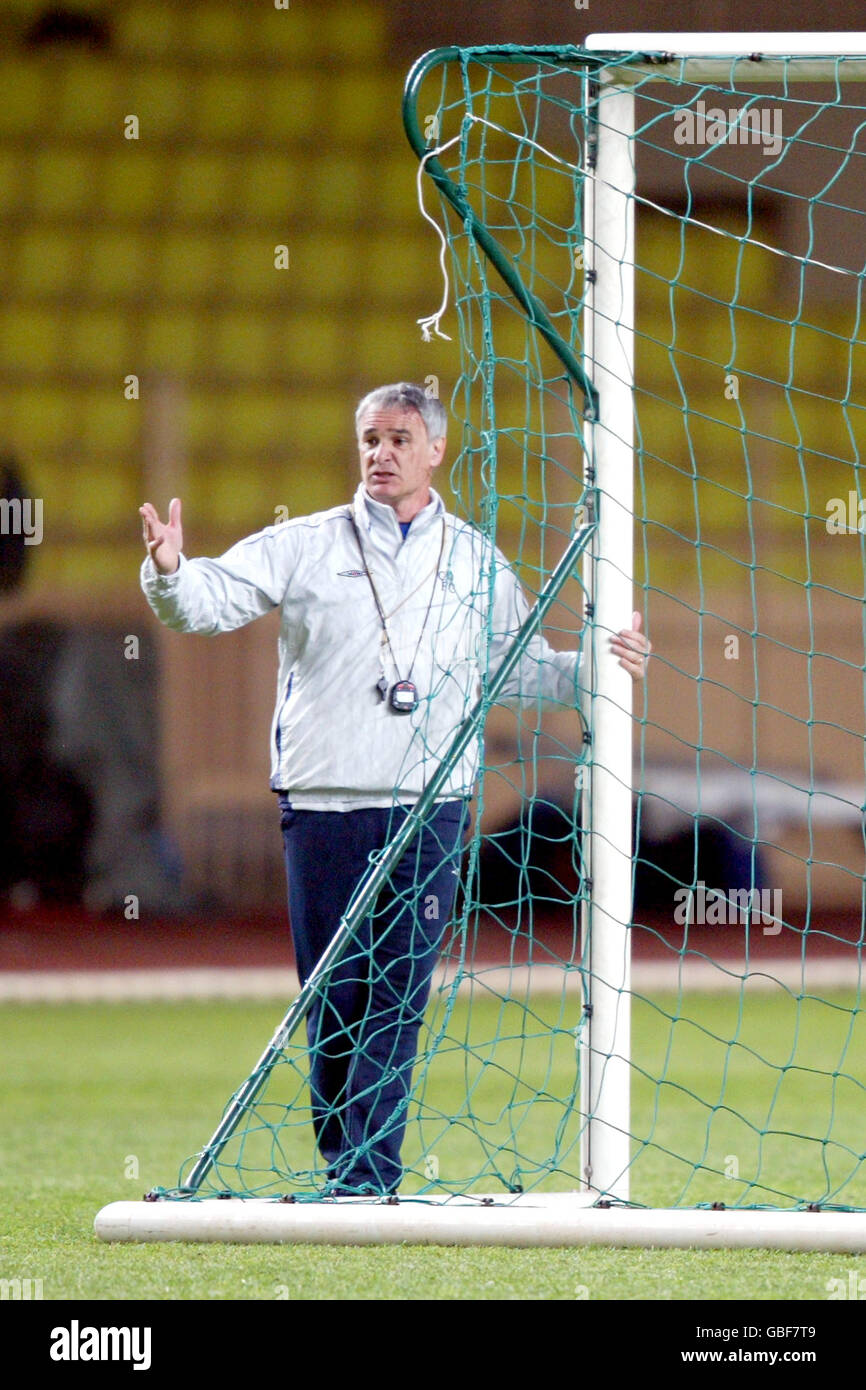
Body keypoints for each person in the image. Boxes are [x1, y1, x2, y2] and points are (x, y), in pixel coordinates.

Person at [140, 381, 650, 1196]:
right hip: (324, 802)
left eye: (399, 440)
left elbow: (520, 675)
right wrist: (169, 568)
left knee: (399, 991)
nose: (381, 453)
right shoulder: (303, 543)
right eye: (370, 439)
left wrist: (601, 667)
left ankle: (368, 1174)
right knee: (334, 996)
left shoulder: (477, 559)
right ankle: (349, 1158)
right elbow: (207, 602)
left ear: (435, 451)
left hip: (433, 806)